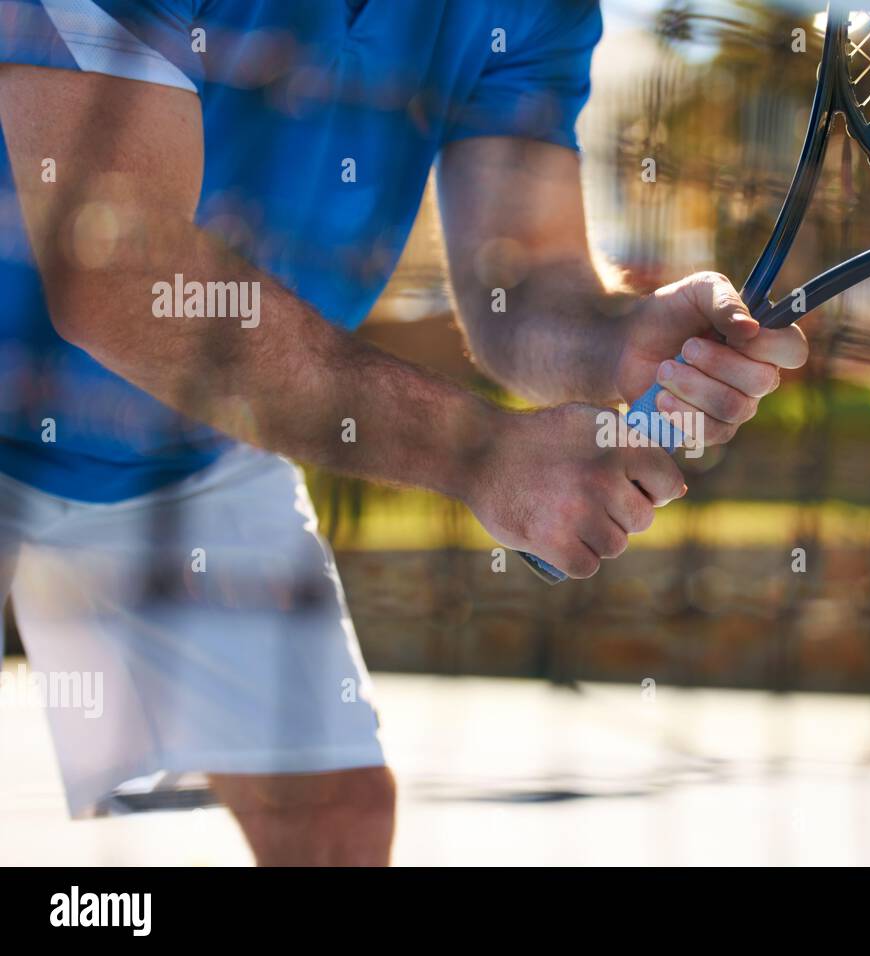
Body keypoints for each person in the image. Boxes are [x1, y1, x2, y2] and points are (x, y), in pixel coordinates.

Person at [0, 0, 807, 864]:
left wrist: (623, 342)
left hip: (190, 446)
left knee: (335, 824)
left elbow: (524, 285)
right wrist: (483, 452)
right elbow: (120, 271)